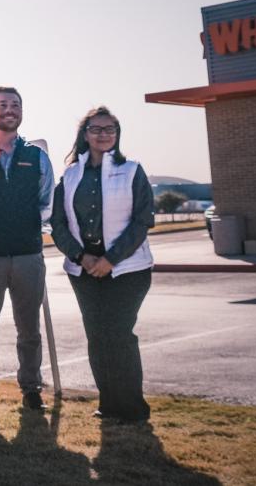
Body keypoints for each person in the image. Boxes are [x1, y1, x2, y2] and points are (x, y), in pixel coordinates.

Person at [50, 107, 155, 423]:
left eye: (110, 129)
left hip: (128, 270)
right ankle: (109, 404)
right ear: (85, 134)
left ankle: (133, 408)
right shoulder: (69, 176)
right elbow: (58, 224)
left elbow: (142, 220)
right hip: (84, 271)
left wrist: (111, 259)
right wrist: (83, 258)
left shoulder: (133, 170)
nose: (104, 134)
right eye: (97, 129)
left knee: (119, 333)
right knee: (97, 336)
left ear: (117, 133)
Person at [0, 87, 54, 413]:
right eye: (2, 105)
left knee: (29, 328)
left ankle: (31, 389)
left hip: (28, 255)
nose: (10, 110)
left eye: (15, 105)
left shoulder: (36, 156)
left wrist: (28, 229)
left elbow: (47, 203)